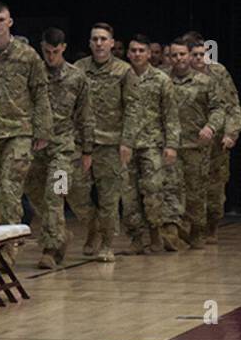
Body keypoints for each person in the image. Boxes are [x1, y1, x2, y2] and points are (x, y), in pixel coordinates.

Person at [0, 2, 52, 230]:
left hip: (19, 131)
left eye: (1, 19)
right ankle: (4, 238)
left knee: (10, 187)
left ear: (10, 22)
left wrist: (43, 129)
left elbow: (40, 92)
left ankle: (10, 247)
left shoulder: (28, 56)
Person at [26, 28, 94, 269]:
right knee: (36, 195)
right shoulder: (33, 74)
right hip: (35, 148)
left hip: (64, 149)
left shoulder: (77, 77)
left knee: (55, 194)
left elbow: (85, 115)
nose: (51, 56)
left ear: (63, 48)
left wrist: (87, 150)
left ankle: (52, 249)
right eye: (46, 51)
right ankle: (60, 233)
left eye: (55, 52)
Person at [70, 23, 131, 263]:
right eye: (94, 39)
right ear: (89, 43)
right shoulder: (78, 69)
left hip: (110, 142)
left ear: (112, 43)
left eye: (103, 39)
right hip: (80, 142)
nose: (99, 43)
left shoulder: (123, 71)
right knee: (73, 190)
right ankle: (92, 225)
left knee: (109, 197)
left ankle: (106, 243)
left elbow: (132, 108)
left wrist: (127, 141)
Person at [119, 35, 181, 255]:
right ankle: (136, 238)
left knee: (153, 191)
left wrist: (172, 145)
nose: (136, 54)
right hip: (126, 145)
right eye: (133, 50)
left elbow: (171, 115)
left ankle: (156, 234)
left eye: (141, 51)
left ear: (148, 54)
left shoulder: (161, 79)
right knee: (128, 195)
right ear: (128, 53)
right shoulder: (121, 77)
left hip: (153, 144)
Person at [163, 36, 226, 249]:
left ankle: (197, 231)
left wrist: (211, 127)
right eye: (174, 55)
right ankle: (172, 232)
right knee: (169, 189)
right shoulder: (162, 80)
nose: (179, 58)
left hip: (195, 147)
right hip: (169, 146)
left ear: (189, 56)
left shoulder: (205, 82)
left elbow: (219, 109)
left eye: (182, 54)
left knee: (195, 194)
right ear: (169, 57)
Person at [188, 34, 241, 244]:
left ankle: (211, 225)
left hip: (216, 142)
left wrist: (231, 132)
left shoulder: (219, 73)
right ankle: (190, 229)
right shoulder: (179, 75)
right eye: (195, 55)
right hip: (190, 141)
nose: (200, 59)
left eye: (203, 54)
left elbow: (232, 105)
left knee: (214, 187)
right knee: (189, 186)